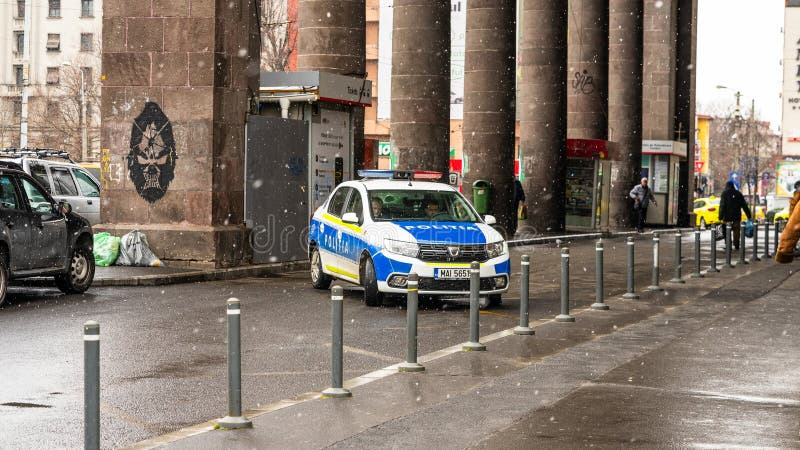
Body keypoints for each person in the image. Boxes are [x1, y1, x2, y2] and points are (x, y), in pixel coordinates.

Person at [718, 181, 752, 250]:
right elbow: (744, 205)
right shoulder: (738, 194)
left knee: (727, 231)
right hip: (736, 216)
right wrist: (749, 215)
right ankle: (736, 244)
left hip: (727, 217)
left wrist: (720, 216)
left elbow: (722, 205)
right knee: (736, 231)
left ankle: (728, 244)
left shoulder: (724, 194)